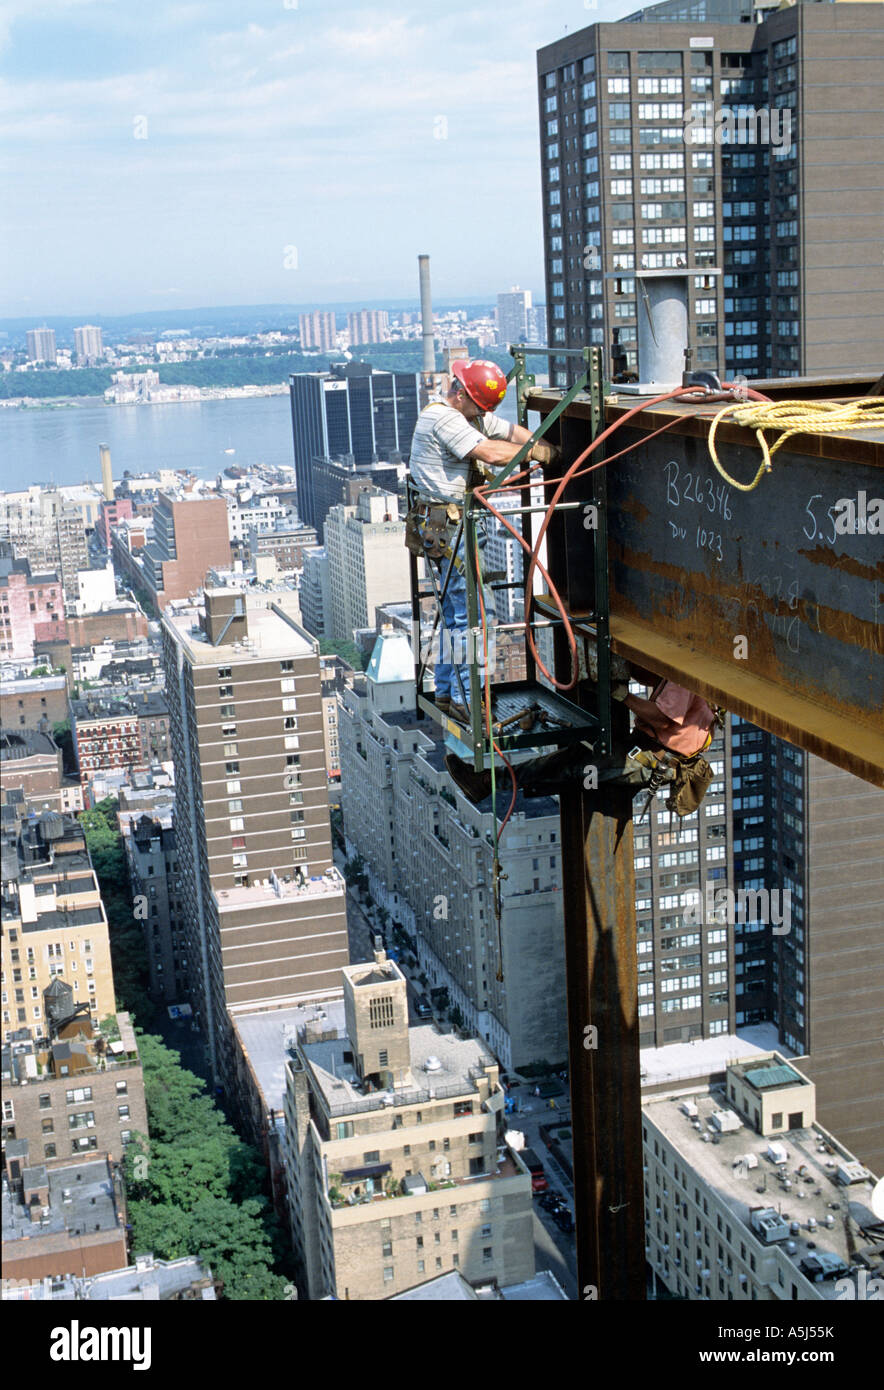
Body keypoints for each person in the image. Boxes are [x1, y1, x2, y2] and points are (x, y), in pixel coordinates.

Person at [406, 359, 559, 723]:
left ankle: (447, 692)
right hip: (451, 526)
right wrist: (539, 454)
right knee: (477, 618)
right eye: (481, 406)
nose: (485, 414)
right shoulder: (443, 418)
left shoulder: (468, 414)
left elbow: (507, 432)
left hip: (448, 525)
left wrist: (542, 443)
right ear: (461, 394)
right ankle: (465, 699)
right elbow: (490, 452)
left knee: (455, 615)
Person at [445, 670, 720, 816]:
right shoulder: (694, 668)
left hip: (653, 757)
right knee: (572, 757)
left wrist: (622, 695)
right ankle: (487, 782)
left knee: (572, 769)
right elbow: (654, 679)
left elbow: (661, 720)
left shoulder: (688, 677)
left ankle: (487, 783)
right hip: (649, 748)